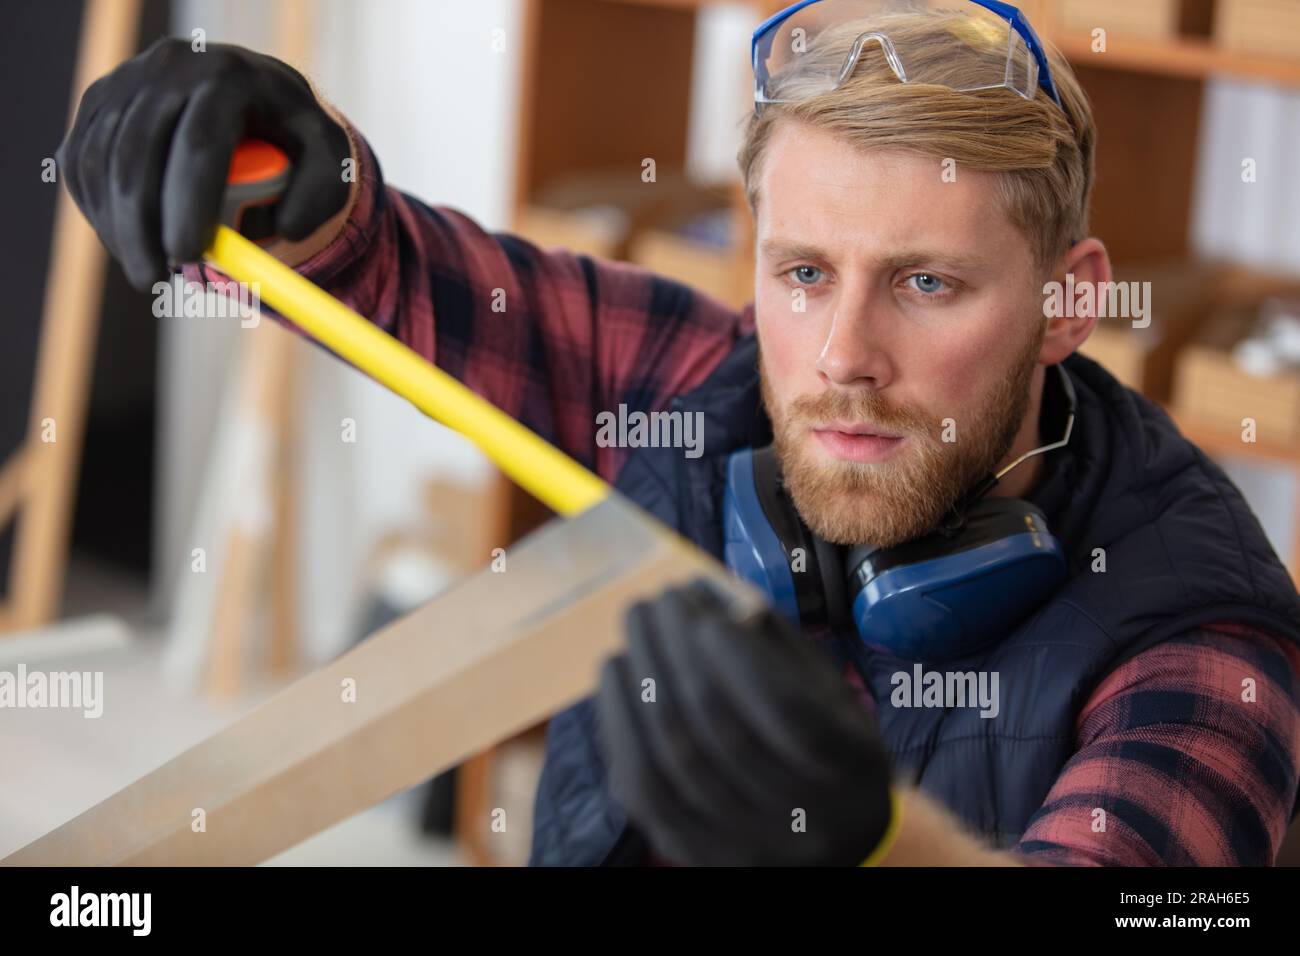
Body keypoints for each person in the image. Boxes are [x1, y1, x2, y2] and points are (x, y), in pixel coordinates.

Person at [56, 0, 1300, 866]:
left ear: (1067, 302)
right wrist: (292, 193)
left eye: (926, 284)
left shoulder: (1203, 633)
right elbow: (402, 273)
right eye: (803, 270)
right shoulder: (712, 385)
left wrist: (880, 843)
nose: (839, 358)